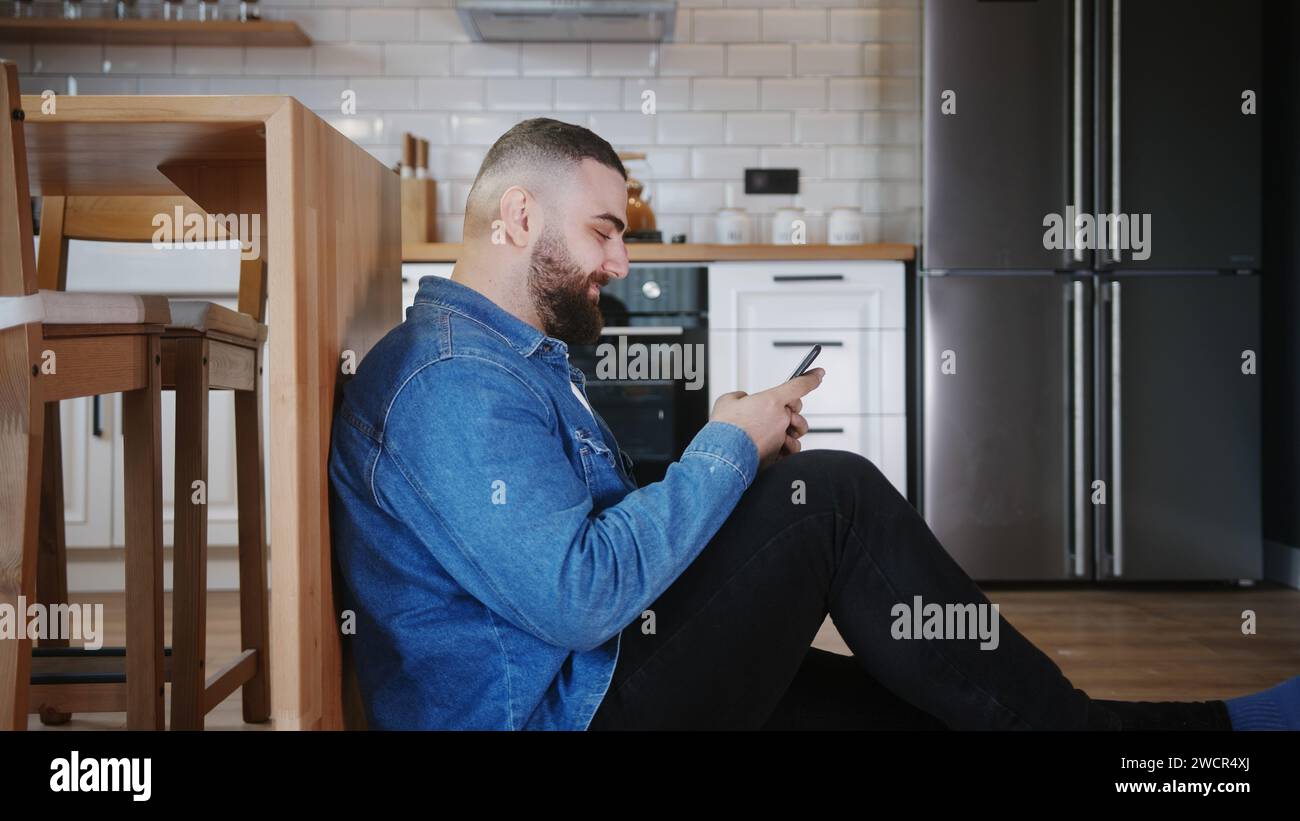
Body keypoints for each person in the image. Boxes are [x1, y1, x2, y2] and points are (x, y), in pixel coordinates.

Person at [328, 117, 1299, 731]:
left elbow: (575, 544)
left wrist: (723, 448)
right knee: (828, 495)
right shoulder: (452, 380)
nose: (619, 264)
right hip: (563, 706)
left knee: (916, 704)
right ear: (515, 215)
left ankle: (1193, 739)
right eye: (604, 231)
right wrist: (725, 450)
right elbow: (578, 596)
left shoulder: (496, 358)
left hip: (592, 674)